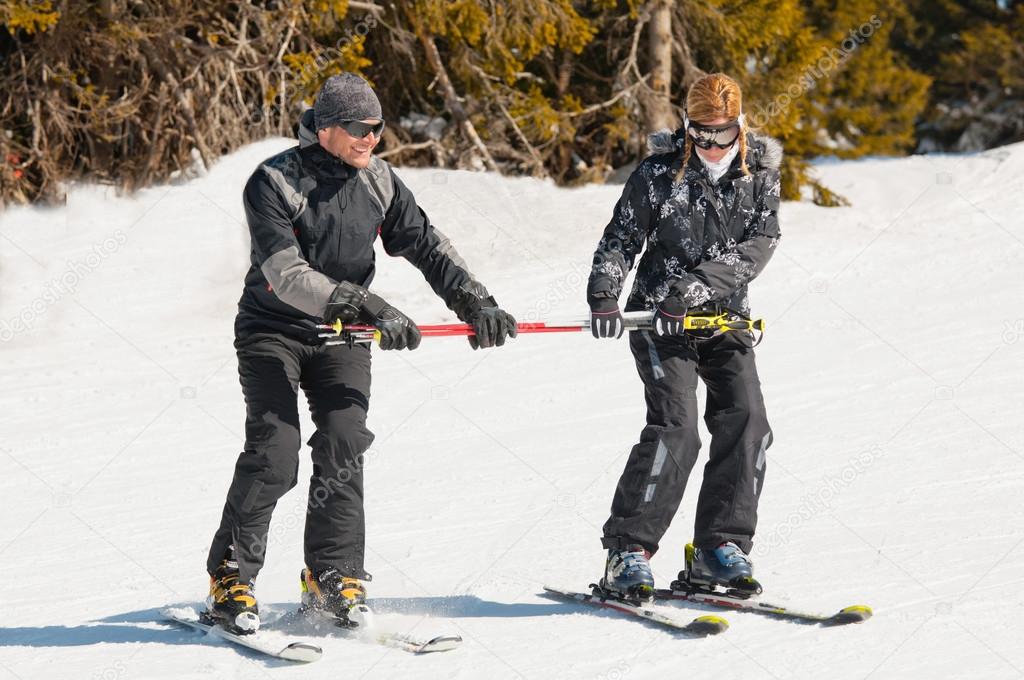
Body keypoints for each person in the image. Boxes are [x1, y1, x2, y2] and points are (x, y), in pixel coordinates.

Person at [205, 73, 518, 634]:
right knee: (275, 450)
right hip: (273, 329)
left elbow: (426, 243)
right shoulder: (273, 181)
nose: (370, 139)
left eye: (377, 128)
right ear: (325, 128)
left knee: (344, 440)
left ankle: (334, 575)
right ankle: (231, 578)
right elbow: (286, 276)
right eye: (357, 129)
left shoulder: (378, 180)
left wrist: (477, 303)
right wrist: (367, 305)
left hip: (343, 336)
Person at [587, 73, 781, 600]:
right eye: (701, 133)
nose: (711, 146)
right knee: (678, 428)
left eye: (721, 134)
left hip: (722, 320)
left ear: (740, 127)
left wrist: (695, 289)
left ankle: (720, 547)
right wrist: (605, 291)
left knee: (748, 422)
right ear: (687, 126)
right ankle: (628, 551)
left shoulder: (759, 175)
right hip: (658, 322)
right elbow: (622, 236)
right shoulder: (658, 174)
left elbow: (758, 247)